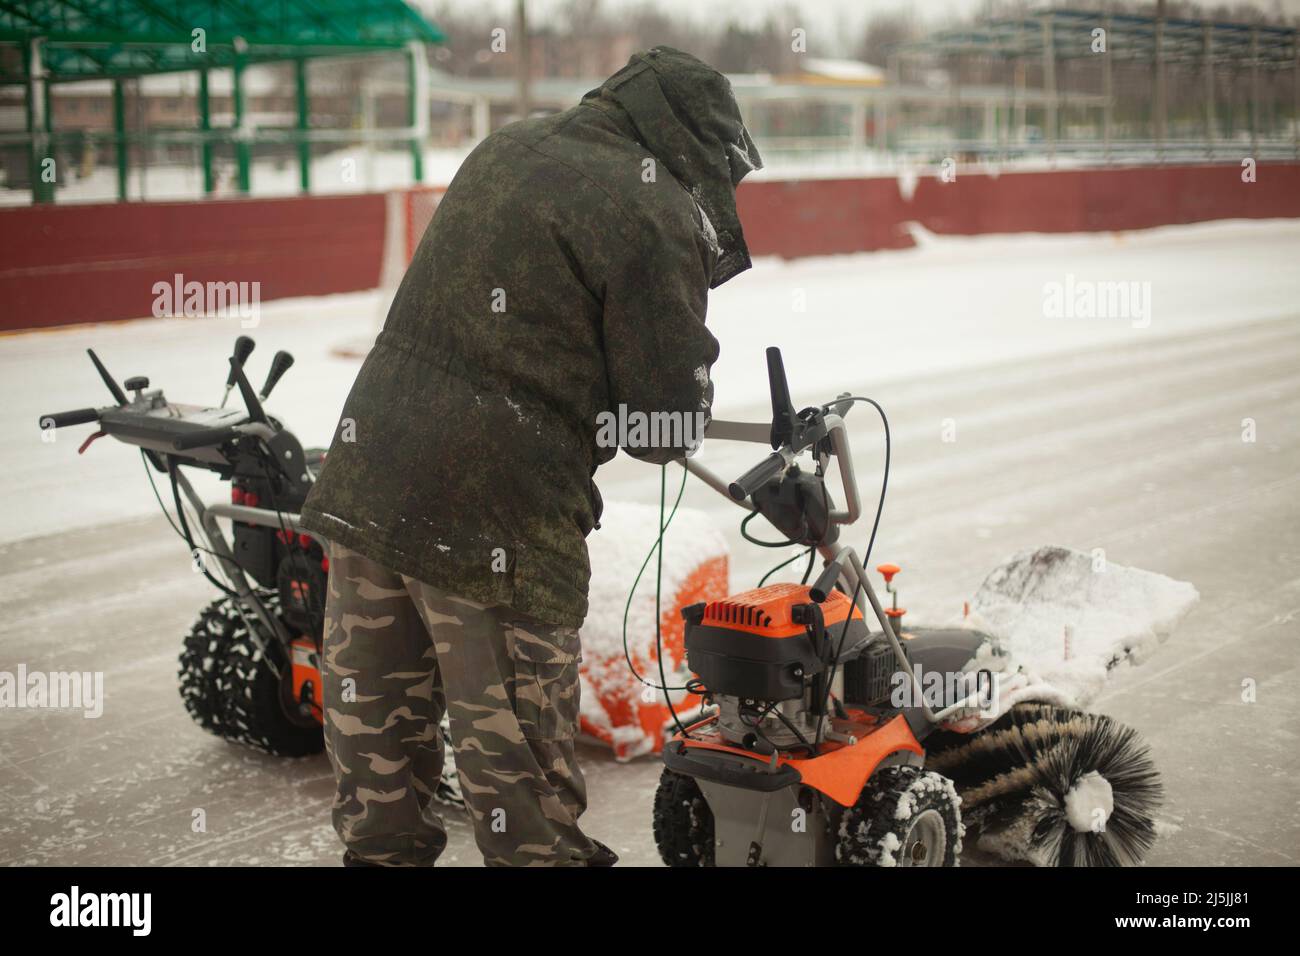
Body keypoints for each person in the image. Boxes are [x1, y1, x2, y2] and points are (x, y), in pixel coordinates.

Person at [300, 46, 762, 867]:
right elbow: (664, 427)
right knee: (523, 801)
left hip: (365, 486)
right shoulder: (653, 210)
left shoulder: (507, 145)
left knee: (379, 785)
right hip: (494, 523)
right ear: (696, 143)